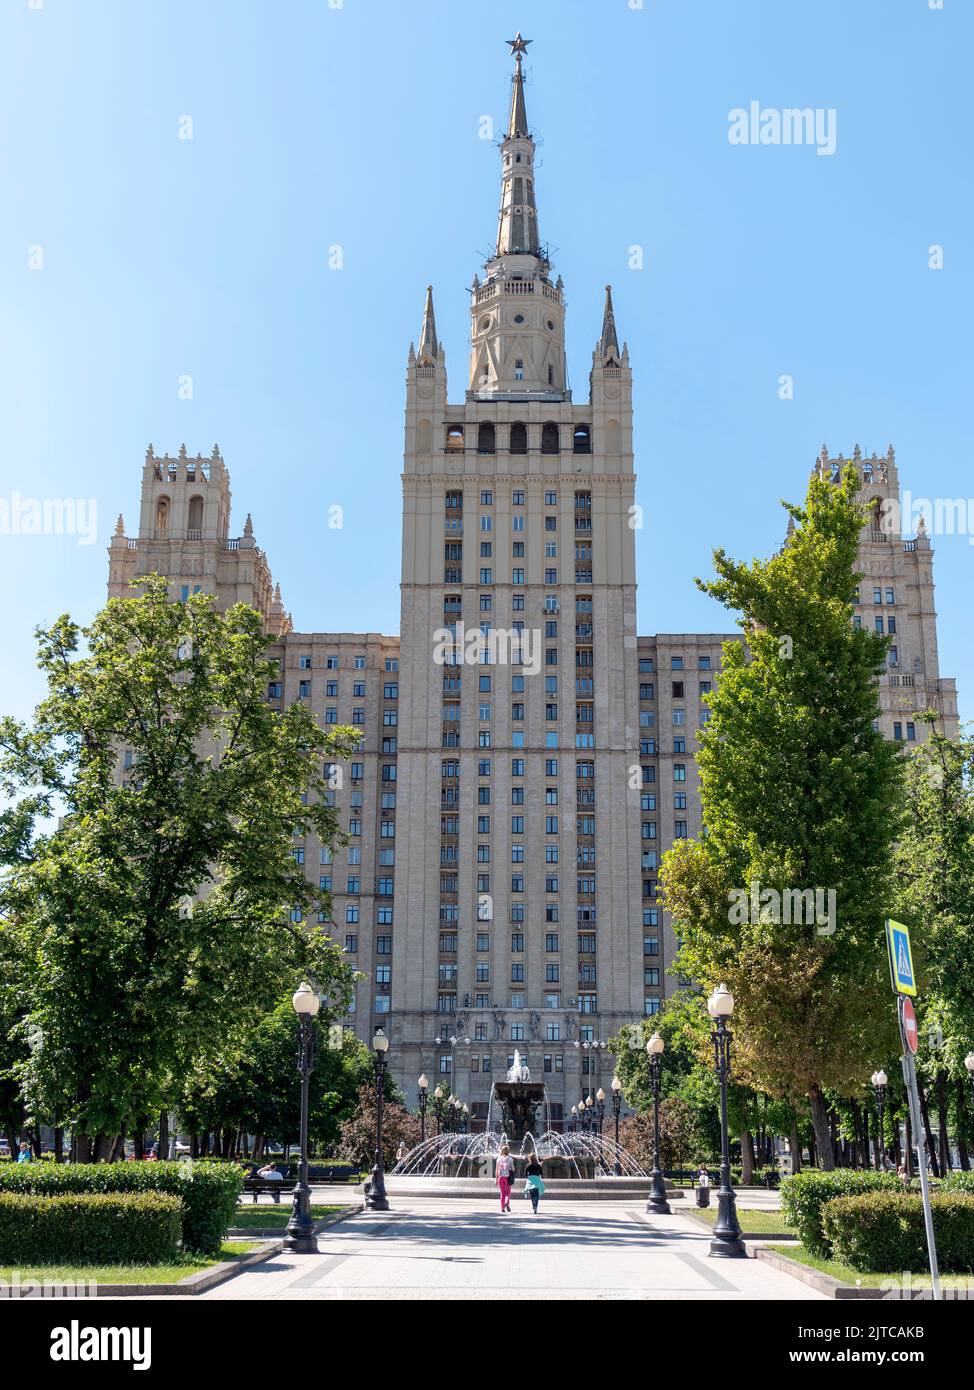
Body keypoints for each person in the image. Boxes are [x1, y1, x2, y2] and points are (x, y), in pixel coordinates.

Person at [496, 1145, 514, 1212]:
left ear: (502, 1151)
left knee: (502, 1193)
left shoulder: (498, 1159)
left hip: (500, 1178)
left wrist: (496, 1179)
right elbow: (513, 1169)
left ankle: (502, 1208)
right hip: (507, 1177)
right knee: (508, 1192)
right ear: (508, 1151)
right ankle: (506, 1203)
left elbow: (496, 1170)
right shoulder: (510, 1159)